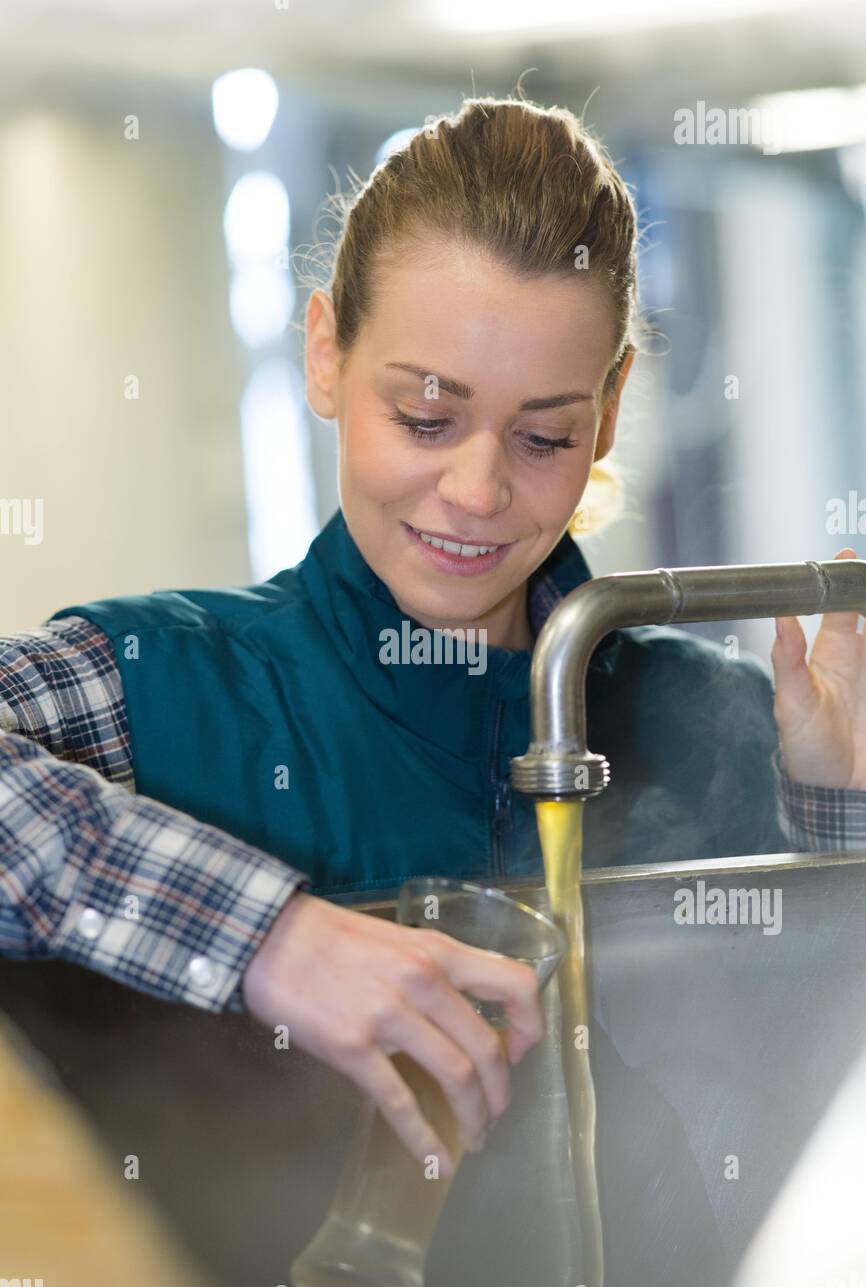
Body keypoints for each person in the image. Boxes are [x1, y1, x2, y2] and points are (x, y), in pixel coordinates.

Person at [1, 97, 865, 1181]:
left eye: (544, 434)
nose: (477, 490)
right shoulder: (158, 687)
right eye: (424, 415)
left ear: (607, 410)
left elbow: (814, 1127)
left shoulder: (726, 723)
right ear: (324, 353)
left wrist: (840, 822)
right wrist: (269, 938)